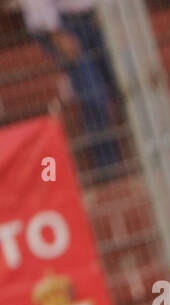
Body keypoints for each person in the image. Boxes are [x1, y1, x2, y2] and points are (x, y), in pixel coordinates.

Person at [19, 0, 124, 177]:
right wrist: (56, 34)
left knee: (123, 82)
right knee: (92, 95)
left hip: (97, 15)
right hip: (62, 24)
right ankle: (108, 168)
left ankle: (141, 155)